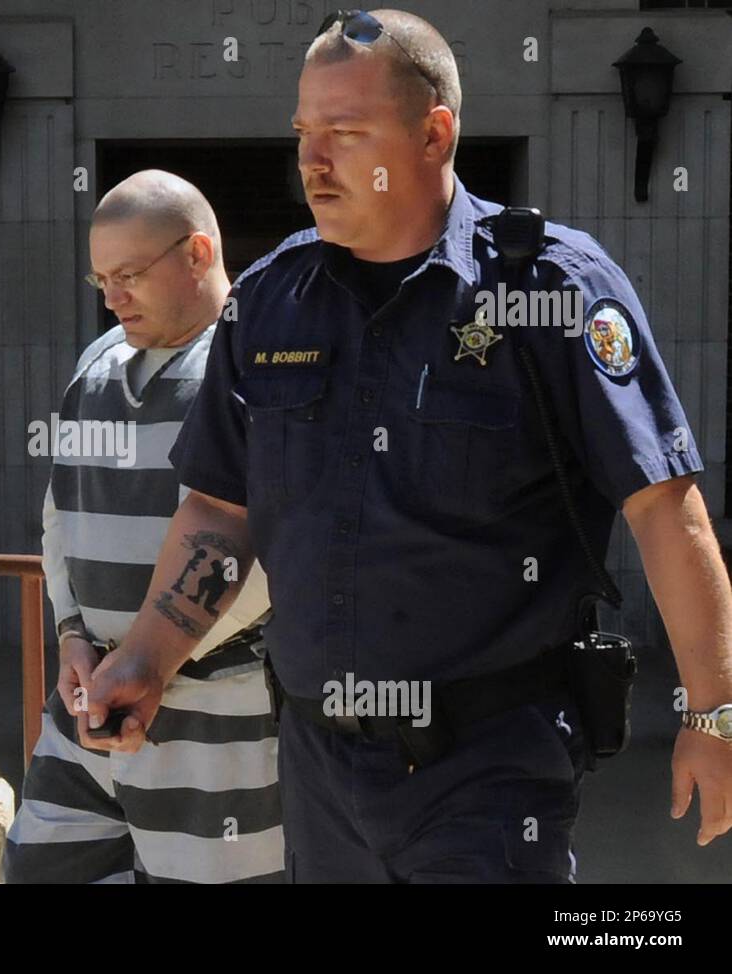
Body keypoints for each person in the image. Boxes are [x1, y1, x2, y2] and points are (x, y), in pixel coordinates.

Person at [83, 9, 732, 882]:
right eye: (304, 133)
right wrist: (146, 657)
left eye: (345, 133)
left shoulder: (547, 289)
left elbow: (664, 507)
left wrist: (715, 715)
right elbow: (219, 506)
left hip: (489, 771)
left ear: (434, 135)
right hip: (316, 770)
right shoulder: (272, 299)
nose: (312, 161)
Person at [1, 170, 283, 883]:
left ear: (198, 252)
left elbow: (268, 543)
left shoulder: (262, 360)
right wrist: (72, 638)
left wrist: (150, 658)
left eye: (129, 274)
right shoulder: (97, 360)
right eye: (101, 280)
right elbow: (60, 514)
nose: (113, 297)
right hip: (88, 704)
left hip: (219, 712)